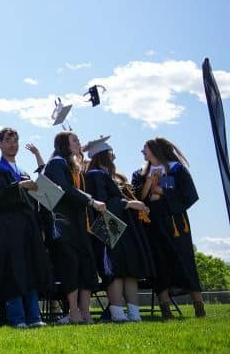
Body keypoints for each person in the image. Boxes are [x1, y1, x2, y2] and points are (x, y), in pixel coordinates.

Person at [0, 128, 52, 328]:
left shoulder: (22, 171)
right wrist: (20, 187)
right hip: (8, 228)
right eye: (8, 140)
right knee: (14, 271)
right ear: (0, 145)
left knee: (30, 269)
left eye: (15, 140)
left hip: (28, 228)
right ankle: (17, 317)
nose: (13, 144)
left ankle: (34, 316)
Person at [83, 138, 156, 322]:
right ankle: (117, 313)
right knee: (115, 271)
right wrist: (130, 203)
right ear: (103, 155)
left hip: (121, 225)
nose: (113, 155)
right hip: (107, 224)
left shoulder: (105, 174)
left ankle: (134, 313)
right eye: (110, 152)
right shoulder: (95, 175)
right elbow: (102, 201)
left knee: (129, 270)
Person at [132, 137, 205, 318]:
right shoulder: (140, 173)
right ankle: (165, 308)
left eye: (145, 148)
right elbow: (137, 196)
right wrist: (150, 183)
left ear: (156, 149)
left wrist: (162, 190)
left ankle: (199, 306)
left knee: (185, 261)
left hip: (175, 225)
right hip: (153, 225)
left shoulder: (176, 169)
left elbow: (189, 194)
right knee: (160, 264)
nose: (142, 152)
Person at [44, 131, 107, 325]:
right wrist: (91, 201)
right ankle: (73, 311)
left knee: (86, 265)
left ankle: (85, 312)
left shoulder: (74, 165)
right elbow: (64, 189)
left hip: (80, 223)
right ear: (64, 144)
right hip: (64, 223)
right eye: (75, 140)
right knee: (70, 266)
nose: (79, 142)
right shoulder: (56, 163)